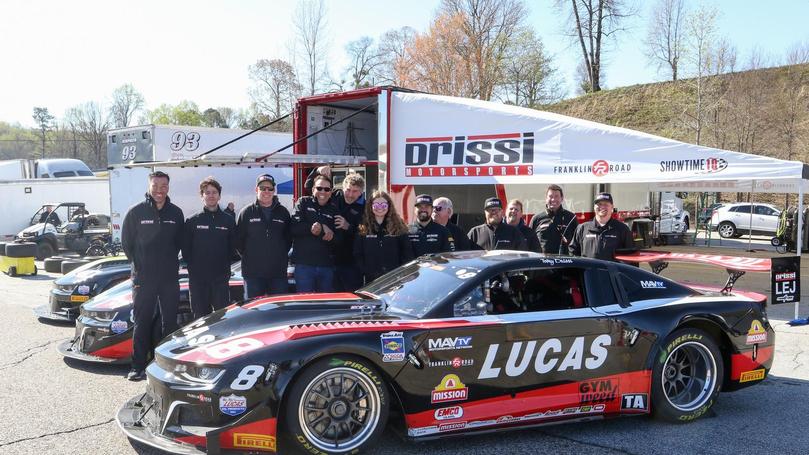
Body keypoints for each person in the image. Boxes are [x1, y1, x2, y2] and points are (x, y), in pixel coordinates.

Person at [120, 171, 184, 381]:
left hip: (168, 278)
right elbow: (127, 244)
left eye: (163, 186)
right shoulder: (136, 212)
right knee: (142, 322)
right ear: (149, 186)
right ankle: (137, 366)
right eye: (156, 186)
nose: (159, 190)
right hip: (143, 278)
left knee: (169, 323)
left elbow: (179, 243)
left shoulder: (176, 213)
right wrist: (139, 266)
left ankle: (166, 366)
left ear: (168, 187)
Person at [182, 177, 237, 319]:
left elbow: (233, 248)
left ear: (219, 195)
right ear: (202, 196)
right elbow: (186, 250)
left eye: (214, 192)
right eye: (207, 192)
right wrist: (195, 269)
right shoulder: (192, 221)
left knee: (222, 318)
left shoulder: (228, 221)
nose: (211, 195)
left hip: (220, 279)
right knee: (200, 319)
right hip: (198, 280)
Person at [305, 166, 366, 291]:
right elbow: (310, 187)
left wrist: (348, 226)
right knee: (330, 298)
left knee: (351, 298)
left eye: (355, 191)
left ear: (361, 192)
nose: (350, 194)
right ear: (342, 188)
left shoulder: (365, 207)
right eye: (348, 190)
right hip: (328, 259)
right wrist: (317, 171)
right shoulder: (335, 196)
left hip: (351, 262)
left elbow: (366, 234)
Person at [236, 174, 292, 298]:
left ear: (274, 190)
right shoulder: (246, 212)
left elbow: (288, 240)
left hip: (277, 273)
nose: (266, 191)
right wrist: (252, 257)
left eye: (270, 188)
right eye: (262, 188)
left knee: (279, 311)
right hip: (253, 274)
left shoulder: (283, 212)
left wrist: (279, 255)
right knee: (253, 311)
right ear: (256, 190)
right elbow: (239, 242)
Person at [291, 174, 341, 292]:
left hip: (326, 266)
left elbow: (339, 239)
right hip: (304, 265)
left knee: (326, 305)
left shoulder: (334, 209)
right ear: (313, 189)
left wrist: (332, 235)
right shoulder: (303, 202)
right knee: (305, 305)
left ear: (331, 192)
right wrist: (321, 227)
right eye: (319, 188)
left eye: (327, 189)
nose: (322, 192)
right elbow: (294, 228)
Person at [353, 190, 414, 283]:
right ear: (370, 206)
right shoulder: (363, 227)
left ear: (389, 206)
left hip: (394, 278)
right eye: (376, 204)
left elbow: (407, 252)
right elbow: (358, 253)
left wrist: (402, 272)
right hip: (372, 280)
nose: (380, 207)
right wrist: (366, 271)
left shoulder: (398, 226)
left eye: (383, 204)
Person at [569, 192, 635, 261]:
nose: (602, 207)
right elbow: (573, 252)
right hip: (588, 271)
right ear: (594, 207)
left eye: (606, 204)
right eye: (599, 204)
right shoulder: (582, 228)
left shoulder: (622, 229)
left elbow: (631, 255)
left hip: (612, 271)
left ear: (612, 207)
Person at [529, 184, 578, 255]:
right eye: (550, 196)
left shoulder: (571, 218)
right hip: (542, 262)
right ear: (546, 199)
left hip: (565, 262)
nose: (553, 199)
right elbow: (530, 242)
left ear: (562, 198)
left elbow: (577, 243)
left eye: (556, 196)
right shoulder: (536, 218)